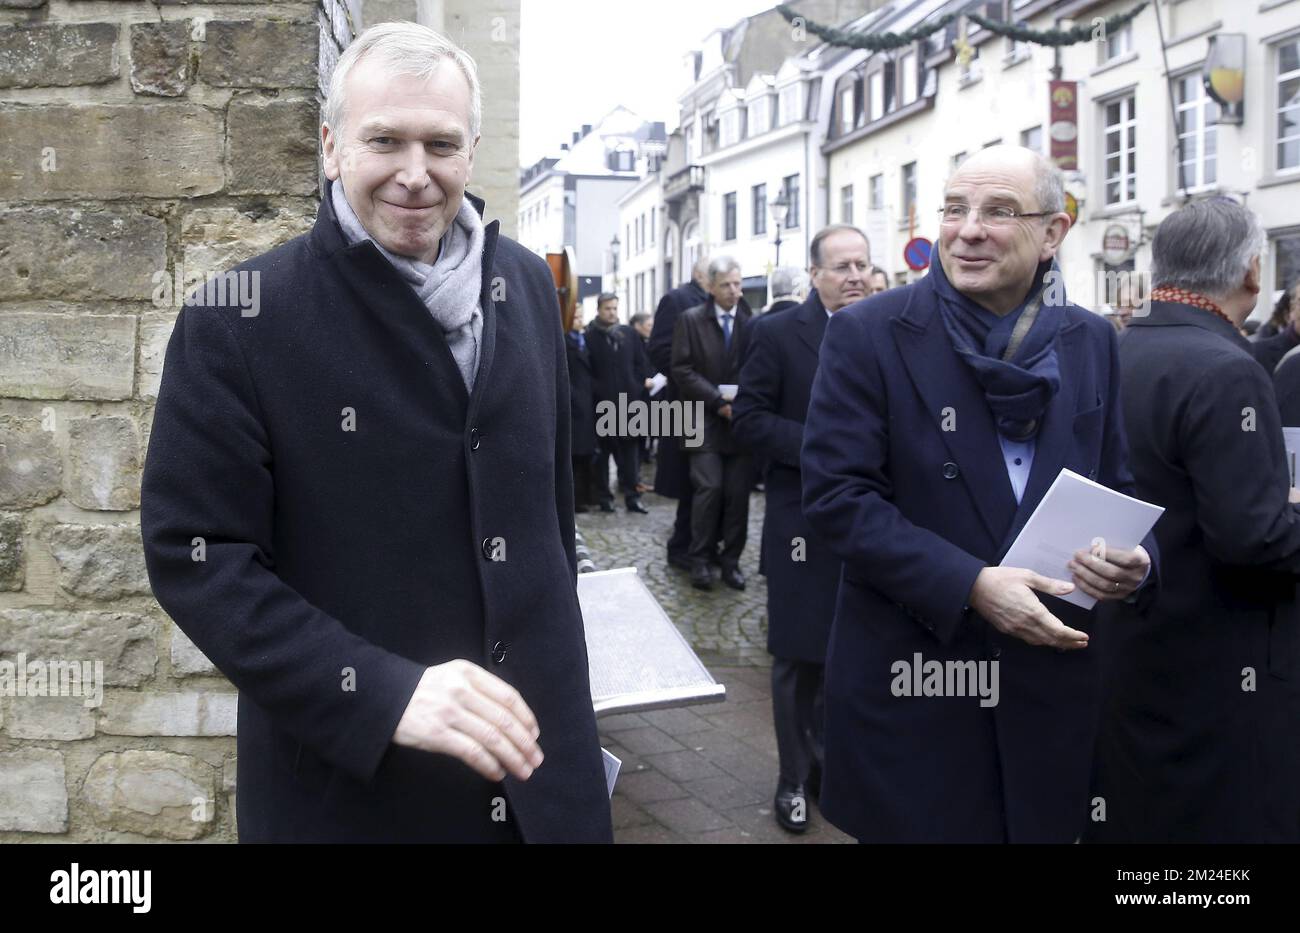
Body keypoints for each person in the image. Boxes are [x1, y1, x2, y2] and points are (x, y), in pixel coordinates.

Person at [140, 22, 611, 843]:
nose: (416, 174)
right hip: (353, 797)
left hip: (543, 776)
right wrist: (383, 692)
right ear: (331, 146)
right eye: (384, 140)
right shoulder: (238, 321)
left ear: (471, 151)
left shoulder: (530, 285)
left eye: (441, 144)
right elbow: (199, 559)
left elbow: (549, 522)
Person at [800, 145, 1156, 843]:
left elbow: (1118, 484)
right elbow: (838, 499)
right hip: (920, 693)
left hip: (1049, 691)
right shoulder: (868, 334)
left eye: (998, 212)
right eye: (956, 209)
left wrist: (1138, 563)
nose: (967, 229)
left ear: (1052, 232)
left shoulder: (1090, 340)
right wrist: (971, 584)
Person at [1088, 198, 1300, 843]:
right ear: (1251, 273)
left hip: (1135, 639)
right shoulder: (1227, 368)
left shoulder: (1120, 351)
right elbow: (1251, 538)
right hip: (1217, 655)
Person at [733, 224, 868, 833]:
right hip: (802, 524)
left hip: (873, 526)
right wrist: (822, 447)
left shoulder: (892, 330)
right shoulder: (778, 333)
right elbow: (751, 421)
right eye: (841, 266)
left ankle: (832, 769)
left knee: (852, 657)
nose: (855, 276)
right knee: (796, 656)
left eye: (862, 264)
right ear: (814, 275)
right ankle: (791, 777)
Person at [671, 256, 753, 591]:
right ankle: (700, 559)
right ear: (711, 287)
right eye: (726, 285)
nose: (734, 291)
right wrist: (717, 402)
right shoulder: (690, 320)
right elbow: (682, 369)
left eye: (738, 284)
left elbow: (760, 368)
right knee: (709, 488)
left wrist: (745, 402)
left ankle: (731, 561)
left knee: (737, 495)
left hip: (741, 423)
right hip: (700, 419)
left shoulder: (752, 322)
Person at [650, 257, 719, 570]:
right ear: (700, 274)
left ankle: (705, 545)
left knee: (714, 482)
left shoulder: (722, 302)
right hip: (687, 403)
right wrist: (692, 376)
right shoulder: (677, 300)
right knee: (693, 482)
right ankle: (683, 547)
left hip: (719, 405)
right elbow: (660, 350)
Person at [586, 293, 653, 513]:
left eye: (615, 308)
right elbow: (587, 369)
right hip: (602, 405)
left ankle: (632, 497)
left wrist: (635, 386)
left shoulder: (629, 334)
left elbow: (640, 363)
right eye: (607, 309)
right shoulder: (590, 336)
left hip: (628, 404)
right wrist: (597, 390)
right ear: (599, 309)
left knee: (630, 456)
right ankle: (605, 498)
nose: (612, 312)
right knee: (603, 455)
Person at [566, 304, 597, 513]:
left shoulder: (585, 340)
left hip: (587, 403)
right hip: (574, 403)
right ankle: (575, 499)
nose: (579, 320)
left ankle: (587, 496)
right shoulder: (565, 340)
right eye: (575, 316)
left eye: (581, 316)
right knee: (575, 454)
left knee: (587, 454)